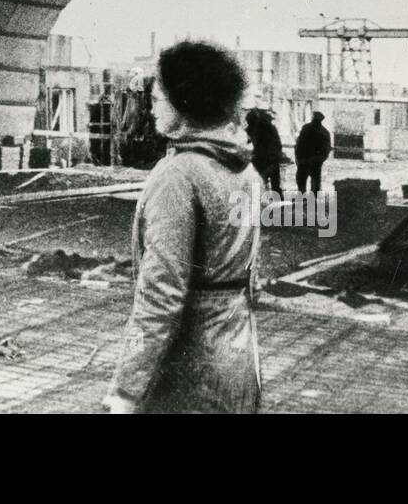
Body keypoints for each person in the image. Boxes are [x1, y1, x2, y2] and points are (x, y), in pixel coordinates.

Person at [105, 40, 262, 414]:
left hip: (186, 371)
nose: (152, 105)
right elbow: (252, 271)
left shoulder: (178, 175)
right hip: (237, 358)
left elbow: (161, 294)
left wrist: (127, 390)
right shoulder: (244, 168)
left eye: (159, 96)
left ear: (184, 102)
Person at [244, 107, 285, 200]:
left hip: (265, 160)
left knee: (262, 183)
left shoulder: (260, 129)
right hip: (270, 159)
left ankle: (265, 203)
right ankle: (277, 204)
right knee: (274, 185)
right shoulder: (268, 128)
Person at [295, 111, 332, 194]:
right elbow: (299, 143)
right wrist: (298, 157)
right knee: (304, 180)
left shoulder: (320, 131)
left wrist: (319, 159)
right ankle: (307, 198)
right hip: (308, 160)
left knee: (310, 181)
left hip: (311, 160)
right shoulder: (323, 132)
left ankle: (309, 198)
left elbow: (326, 148)